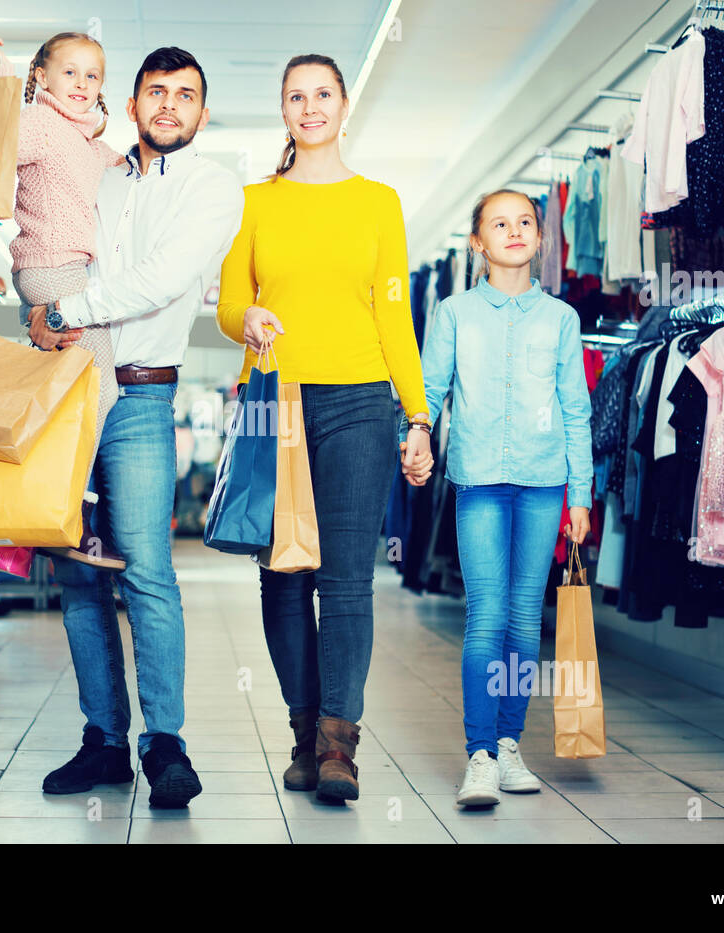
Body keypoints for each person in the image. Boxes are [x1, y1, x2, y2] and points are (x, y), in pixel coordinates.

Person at [24, 47, 245, 808]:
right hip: (68, 388)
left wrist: (64, 311)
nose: (171, 105)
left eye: (187, 94)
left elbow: (162, 279)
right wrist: (46, 306)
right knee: (78, 569)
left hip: (144, 400)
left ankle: (167, 746)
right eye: (157, 91)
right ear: (134, 102)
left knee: (148, 570)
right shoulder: (98, 171)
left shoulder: (212, 186)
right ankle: (103, 741)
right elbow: (52, 241)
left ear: (201, 113)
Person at [216, 54, 431, 804]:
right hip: (276, 398)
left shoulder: (379, 202)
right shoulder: (253, 201)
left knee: (346, 578)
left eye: (323, 95)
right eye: (296, 96)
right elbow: (228, 303)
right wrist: (245, 317)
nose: (310, 107)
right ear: (283, 110)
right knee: (282, 573)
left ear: (344, 105)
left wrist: (418, 414)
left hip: (362, 400)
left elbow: (395, 315)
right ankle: (302, 729)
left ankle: (338, 745)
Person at [417, 189, 592, 808]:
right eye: (500, 223)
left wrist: (581, 495)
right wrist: (415, 436)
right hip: (481, 483)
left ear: (540, 237)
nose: (514, 231)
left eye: (525, 222)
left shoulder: (562, 320)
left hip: (546, 485)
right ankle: (480, 756)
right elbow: (429, 390)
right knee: (486, 616)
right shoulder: (454, 313)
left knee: (524, 619)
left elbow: (577, 410)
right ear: (478, 242)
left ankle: (511, 743)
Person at [0, 30, 125, 571]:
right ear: (42, 76)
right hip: (52, 269)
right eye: (69, 71)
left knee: (81, 389)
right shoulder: (41, 123)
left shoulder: (88, 143)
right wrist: (1, 70)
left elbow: (123, 166)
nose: (81, 83)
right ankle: (64, 511)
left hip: (68, 273)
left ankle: (57, 508)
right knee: (100, 388)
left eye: (92, 75)